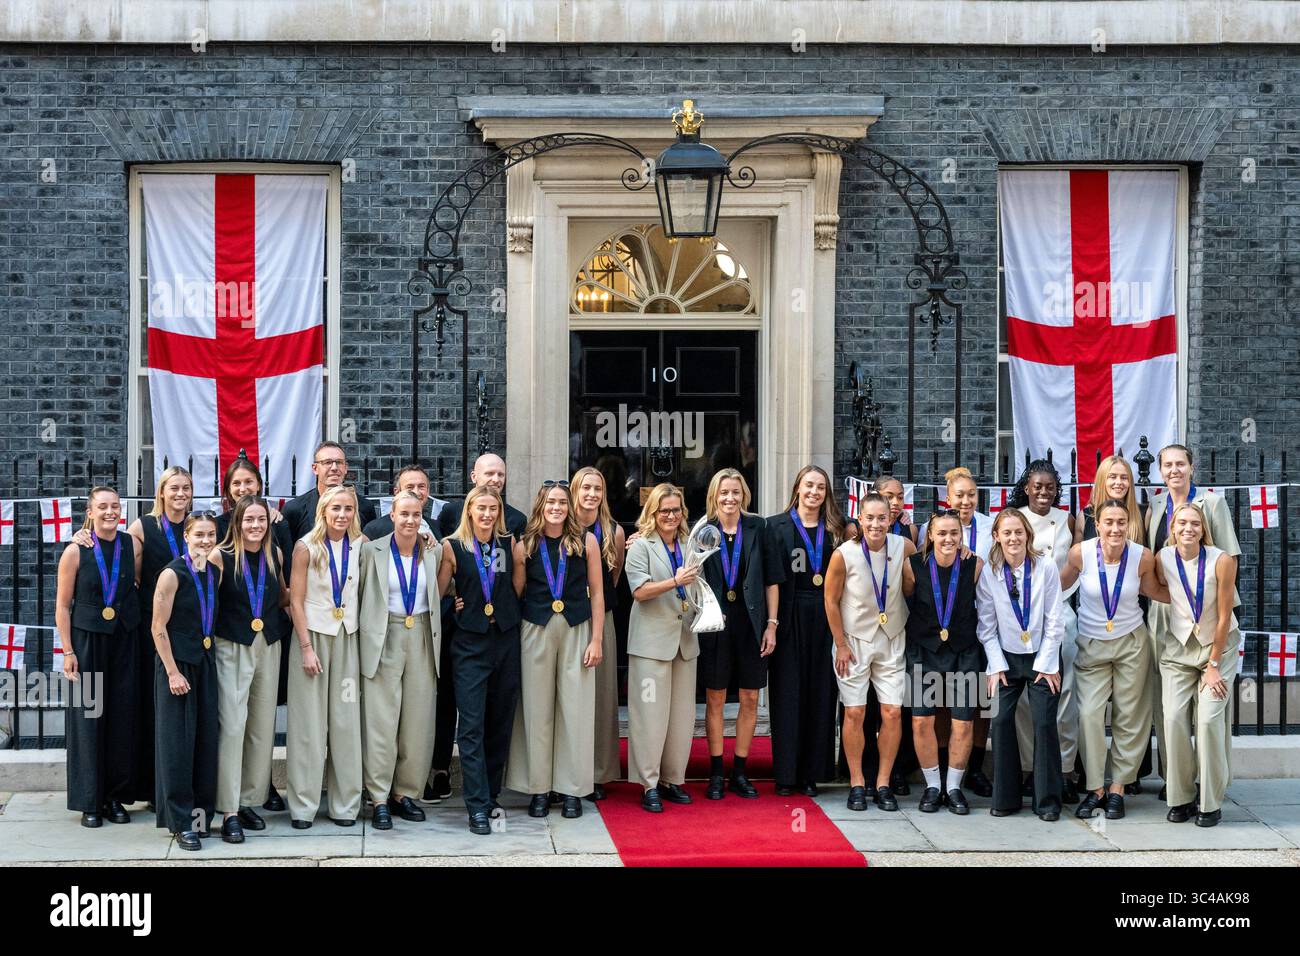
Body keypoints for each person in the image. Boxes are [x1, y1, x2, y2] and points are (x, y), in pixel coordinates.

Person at [71, 466, 192, 807]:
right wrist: (80, 535)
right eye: (173, 487)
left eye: (186, 487)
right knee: (108, 712)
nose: (180, 493)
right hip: (136, 633)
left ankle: (154, 790)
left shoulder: (200, 528)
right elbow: (121, 578)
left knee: (150, 713)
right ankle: (99, 797)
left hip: (182, 633)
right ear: (162, 492)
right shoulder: (141, 528)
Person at [1142, 443, 1241, 796]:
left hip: (1210, 608)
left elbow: (1228, 556)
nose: (1174, 471)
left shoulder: (1211, 502)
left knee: (1210, 709)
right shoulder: (1155, 505)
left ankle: (1208, 780)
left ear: (1191, 467)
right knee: (1168, 704)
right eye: (1167, 465)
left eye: (1180, 464)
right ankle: (1176, 781)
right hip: (1167, 617)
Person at [429, 452, 527, 804]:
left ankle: (492, 793)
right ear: (469, 510)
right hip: (469, 644)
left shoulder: (510, 543)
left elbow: (517, 587)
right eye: (480, 509)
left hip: (504, 639)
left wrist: (496, 607)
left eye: (493, 510)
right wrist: (459, 599)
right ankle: (476, 803)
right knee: (470, 725)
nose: (487, 514)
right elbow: (440, 591)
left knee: (499, 723)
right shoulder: (452, 547)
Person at [1061, 499, 1168, 820]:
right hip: (1091, 645)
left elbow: (1156, 591)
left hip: (1131, 644)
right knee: (1089, 715)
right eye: (1108, 522)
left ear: (1129, 525)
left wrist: (1202, 592)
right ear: (1098, 524)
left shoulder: (1142, 557)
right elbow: (1057, 586)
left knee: (1130, 717)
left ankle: (1118, 789)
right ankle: (1095, 789)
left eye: (1121, 522)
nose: (1115, 528)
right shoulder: (1080, 553)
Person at [505, 481, 605, 819]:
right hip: (536, 628)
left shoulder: (586, 542)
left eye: (562, 502)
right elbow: (517, 592)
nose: (557, 507)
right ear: (541, 506)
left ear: (570, 506)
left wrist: (597, 639)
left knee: (575, 710)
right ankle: (539, 788)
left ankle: (572, 788)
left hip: (577, 629)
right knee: (537, 711)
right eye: (551, 502)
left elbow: (598, 593)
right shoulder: (525, 545)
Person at [695, 468, 783, 800]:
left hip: (751, 624)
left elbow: (771, 580)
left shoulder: (760, 527)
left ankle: (741, 772)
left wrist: (771, 625)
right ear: (714, 496)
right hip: (715, 626)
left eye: (735, 492)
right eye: (723, 493)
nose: (729, 498)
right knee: (715, 698)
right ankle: (716, 773)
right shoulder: (703, 530)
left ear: (744, 495)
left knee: (750, 698)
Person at [56, 486, 142, 829]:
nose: (110, 512)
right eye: (103, 507)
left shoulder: (130, 544)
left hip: (124, 639)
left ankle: (114, 797)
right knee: (89, 718)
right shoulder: (76, 551)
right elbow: (63, 606)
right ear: (90, 512)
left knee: (121, 718)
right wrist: (67, 651)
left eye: (115, 506)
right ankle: (89, 800)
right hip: (89, 642)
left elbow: (137, 581)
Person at [358, 490, 443, 830]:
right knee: (381, 719)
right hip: (385, 633)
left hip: (421, 633)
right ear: (392, 515)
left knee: (417, 718)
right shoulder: (371, 551)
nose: (410, 520)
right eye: (404, 513)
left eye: (416, 514)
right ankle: (378, 795)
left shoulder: (432, 553)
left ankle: (405, 793)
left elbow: (442, 592)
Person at [825, 493, 916, 811]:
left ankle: (883, 782)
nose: (876, 524)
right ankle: (857, 783)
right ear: (859, 519)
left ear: (890, 519)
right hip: (855, 640)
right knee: (855, 712)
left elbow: (913, 583)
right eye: (870, 518)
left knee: (891, 712)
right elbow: (831, 601)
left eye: (882, 518)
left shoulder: (902, 546)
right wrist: (841, 644)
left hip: (891, 637)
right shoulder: (843, 554)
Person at [216, 453, 294, 813]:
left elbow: (284, 598)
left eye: (261, 519)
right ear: (236, 518)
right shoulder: (220, 554)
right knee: (233, 726)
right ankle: (228, 804)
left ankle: (251, 800)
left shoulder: (275, 553)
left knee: (263, 727)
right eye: (248, 519)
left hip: (270, 643)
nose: (255, 525)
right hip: (233, 643)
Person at [1153, 503, 1239, 827]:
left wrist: (1214, 664)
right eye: (1182, 523)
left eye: (1195, 524)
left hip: (1219, 648)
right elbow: (1158, 588)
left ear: (1203, 529)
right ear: (1172, 528)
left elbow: (1225, 614)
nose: (1188, 529)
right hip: (1178, 648)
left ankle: (1210, 801)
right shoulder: (1162, 559)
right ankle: (1181, 797)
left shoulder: (1222, 559)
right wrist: (1181, 606)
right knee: (1173, 717)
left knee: (1206, 721)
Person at [976, 508, 1064, 821]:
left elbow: (1055, 618)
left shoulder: (1046, 566)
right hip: (1006, 658)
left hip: (1043, 656)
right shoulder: (989, 571)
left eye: (1019, 532)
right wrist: (996, 665)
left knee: (1042, 722)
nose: (1013, 538)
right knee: (999, 722)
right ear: (997, 536)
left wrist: (1047, 663)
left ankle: (1048, 800)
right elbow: (986, 625)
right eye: (1007, 532)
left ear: (1028, 535)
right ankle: (1006, 798)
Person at [286, 484, 365, 828]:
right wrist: (305, 648)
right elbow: (295, 601)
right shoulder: (306, 547)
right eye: (336, 509)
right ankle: (302, 806)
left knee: (346, 723)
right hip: (313, 639)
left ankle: (345, 805)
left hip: (347, 640)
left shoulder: (362, 547)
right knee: (308, 724)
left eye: (348, 509)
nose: (342, 515)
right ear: (323, 511)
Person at [1006, 459, 1081, 804]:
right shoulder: (1013, 519)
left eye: (1050, 486)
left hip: (1059, 613)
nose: (1043, 492)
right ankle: (1027, 768)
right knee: (1023, 698)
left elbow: (1075, 565)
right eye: (1037, 485)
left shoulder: (1067, 520)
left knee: (1063, 694)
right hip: (1020, 618)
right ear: (1026, 486)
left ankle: (1064, 770)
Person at [765, 465, 841, 796]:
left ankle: (812, 773)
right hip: (788, 613)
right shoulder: (775, 526)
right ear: (797, 488)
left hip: (825, 615)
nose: (814, 492)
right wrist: (772, 623)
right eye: (809, 485)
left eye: (821, 487)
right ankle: (786, 774)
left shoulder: (838, 529)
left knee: (821, 692)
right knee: (788, 693)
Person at [919, 467, 995, 797]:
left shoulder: (989, 526)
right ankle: (938, 774)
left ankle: (972, 769)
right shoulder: (930, 527)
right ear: (948, 498)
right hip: (940, 628)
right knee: (940, 704)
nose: (965, 500)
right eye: (959, 495)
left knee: (975, 706)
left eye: (971, 494)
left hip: (978, 623)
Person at [625, 483, 700, 813]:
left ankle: (673, 779)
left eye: (676, 510)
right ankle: (648, 784)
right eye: (664, 510)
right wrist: (675, 581)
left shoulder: (690, 544)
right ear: (652, 513)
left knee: (681, 719)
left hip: (685, 641)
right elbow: (639, 592)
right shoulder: (640, 546)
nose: (671, 515)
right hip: (651, 645)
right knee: (650, 717)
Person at [150, 513, 223, 849]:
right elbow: (157, 627)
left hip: (205, 661)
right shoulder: (171, 574)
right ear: (186, 537)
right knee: (177, 744)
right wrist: (172, 672)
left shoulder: (214, 572)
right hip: (177, 665)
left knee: (205, 742)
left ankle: (200, 817)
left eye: (210, 535)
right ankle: (180, 823)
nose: (205, 541)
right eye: (198, 535)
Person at [906, 510, 984, 814]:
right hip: (924, 651)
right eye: (942, 533)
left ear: (961, 536)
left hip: (965, 651)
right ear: (930, 535)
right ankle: (932, 786)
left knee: (963, 721)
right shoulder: (911, 568)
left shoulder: (975, 565)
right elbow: (905, 601)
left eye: (954, 533)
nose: (948, 539)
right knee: (922, 720)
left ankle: (953, 787)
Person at [571, 465, 626, 800]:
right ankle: (569, 768)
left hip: (600, 620)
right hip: (568, 619)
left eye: (598, 488)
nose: (591, 494)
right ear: (575, 490)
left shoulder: (614, 532)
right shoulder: (561, 525)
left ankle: (596, 774)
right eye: (586, 487)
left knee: (601, 698)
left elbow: (613, 580)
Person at [281, 441, 378, 544]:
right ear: (315, 468)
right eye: (327, 462)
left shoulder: (365, 507)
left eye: (339, 462)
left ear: (346, 468)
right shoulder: (294, 509)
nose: (334, 468)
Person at [1073, 455, 1147, 546]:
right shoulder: (1086, 516)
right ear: (1102, 480)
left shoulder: (1144, 514)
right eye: (1112, 477)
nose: (1119, 482)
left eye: (1124, 477)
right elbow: (1076, 557)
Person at [360, 463, 439, 540]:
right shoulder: (374, 530)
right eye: (410, 487)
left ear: (428, 491)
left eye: (421, 486)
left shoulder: (437, 526)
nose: (416, 492)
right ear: (397, 492)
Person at [874, 475, 919, 546]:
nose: (896, 502)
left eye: (900, 498)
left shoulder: (911, 529)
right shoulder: (857, 529)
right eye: (889, 497)